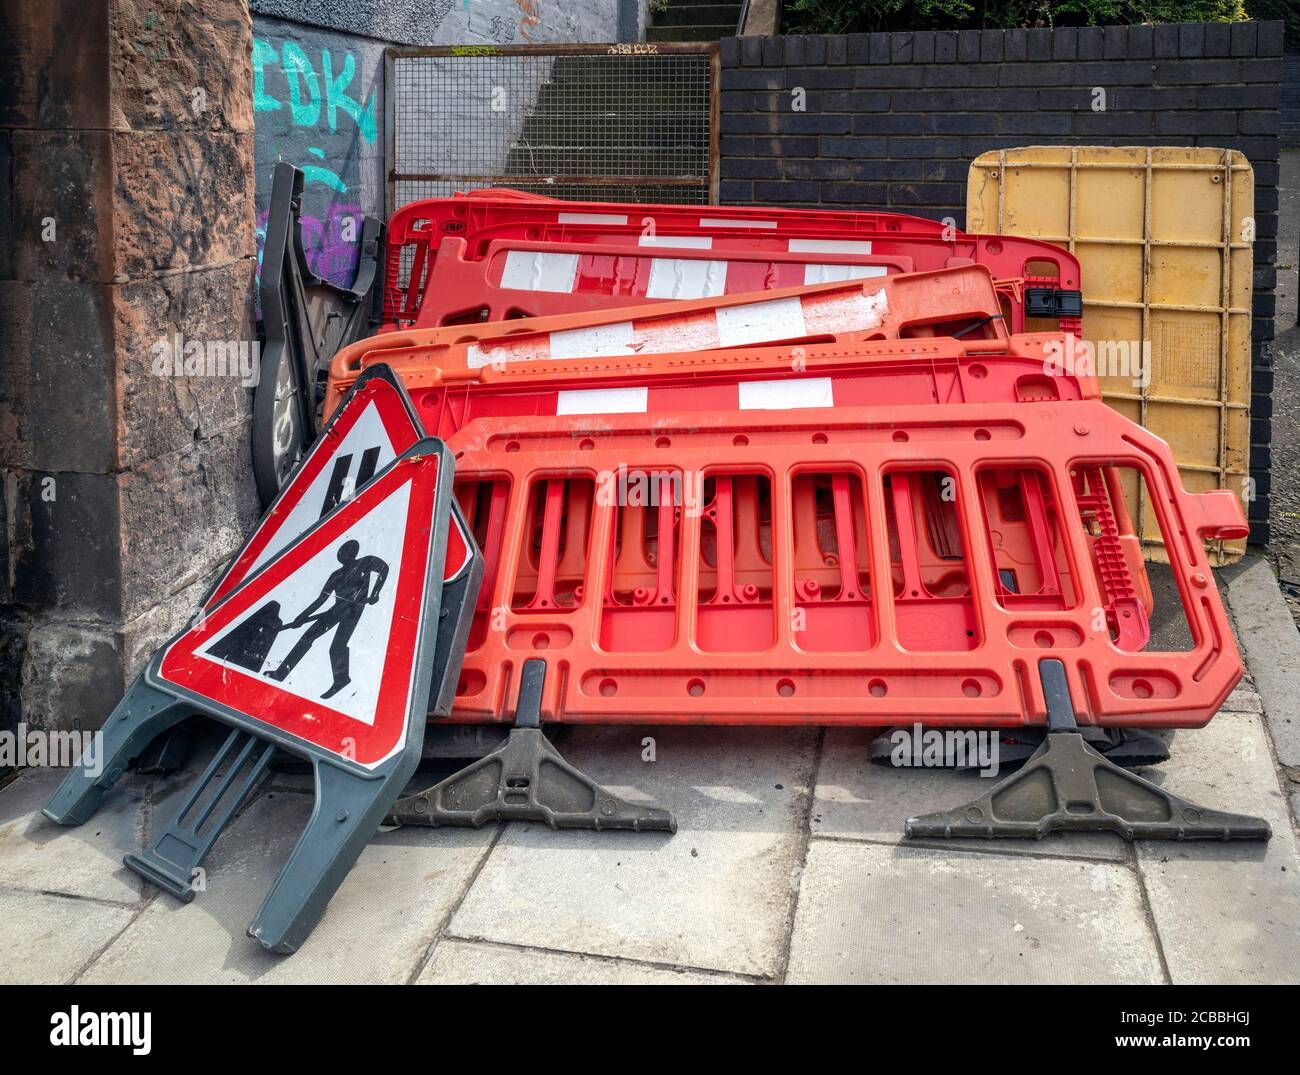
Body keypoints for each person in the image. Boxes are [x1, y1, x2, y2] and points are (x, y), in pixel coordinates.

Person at [265, 539, 388, 699]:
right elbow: (321, 599)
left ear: (354, 552)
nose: (345, 554)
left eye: (348, 550)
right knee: (307, 636)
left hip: (354, 609)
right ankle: (281, 673)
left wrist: (375, 593)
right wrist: (301, 617)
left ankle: (341, 679)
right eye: (343, 552)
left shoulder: (366, 562)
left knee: (337, 646)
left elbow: (384, 568)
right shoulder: (336, 575)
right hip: (337, 609)